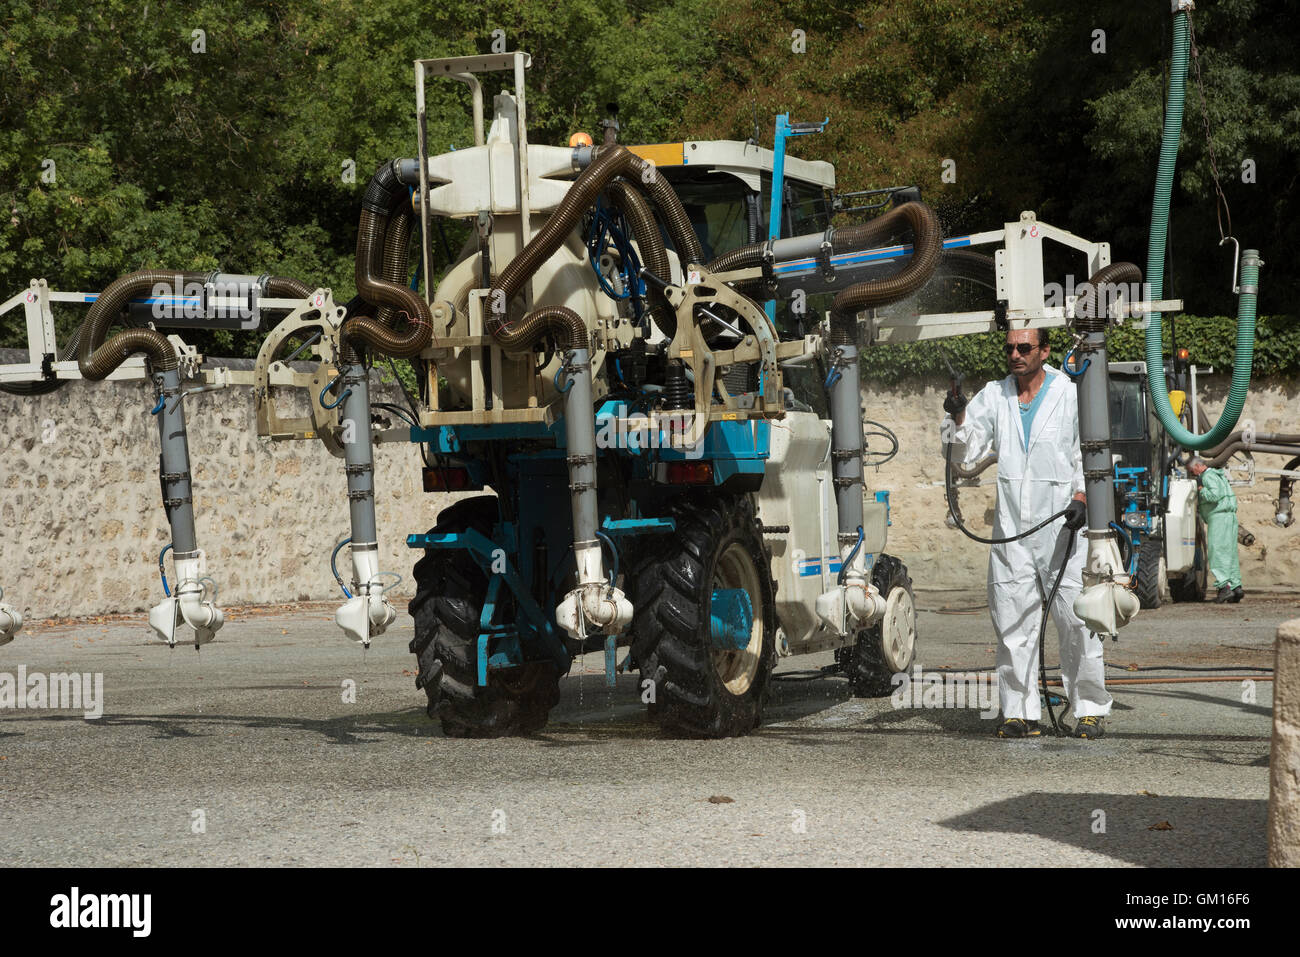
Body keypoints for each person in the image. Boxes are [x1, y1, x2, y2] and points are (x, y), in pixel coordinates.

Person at [942, 329, 1112, 739]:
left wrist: (1081, 497)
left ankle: (1089, 707)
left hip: (1062, 525)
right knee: (1013, 619)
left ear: (1045, 350)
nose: (1015, 354)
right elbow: (966, 451)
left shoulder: (1069, 394)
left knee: (1076, 618)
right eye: (1010, 348)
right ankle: (1018, 711)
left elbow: (1084, 451)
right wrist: (959, 414)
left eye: (1024, 347)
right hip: (1012, 530)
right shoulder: (994, 395)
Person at [1187, 457, 1243, 603]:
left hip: (1218, 517)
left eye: (1191, 470)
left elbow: (1214, 496)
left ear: (1198, 466)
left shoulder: (1208, 476)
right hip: (1229, 516)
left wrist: (1201, 490)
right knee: (1230, 552)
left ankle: (1224, 588)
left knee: (1217, 551)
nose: (1192, 473)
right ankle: (1236, 587)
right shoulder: (1219, 475)